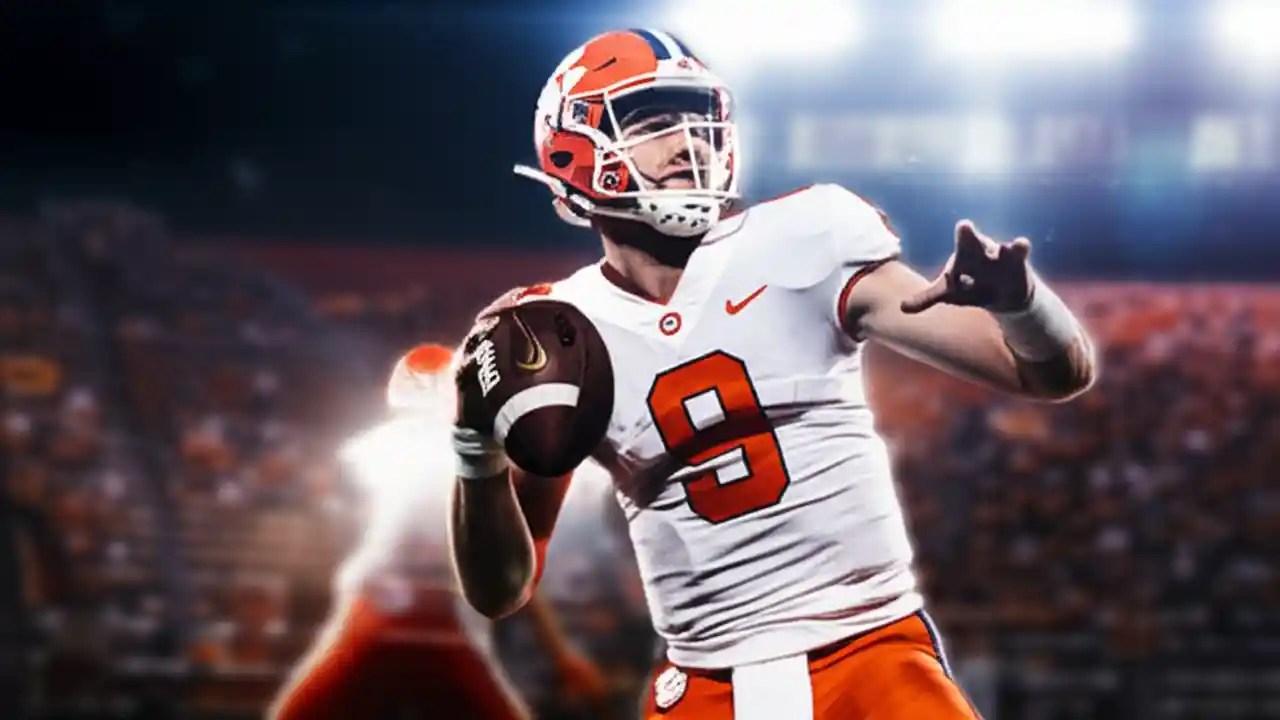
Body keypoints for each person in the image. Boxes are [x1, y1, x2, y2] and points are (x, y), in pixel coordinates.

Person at [449, 29, 1097, 720]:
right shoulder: (558, 331)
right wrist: (474, 452)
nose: (691, 141)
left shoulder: (805, 237)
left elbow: (1054, 375)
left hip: (870, 653)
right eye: (652, 120)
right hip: (704, 685)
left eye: (699, 119)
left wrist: (1022, 306)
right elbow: (501, 590)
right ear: (574, 151)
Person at [270, 344, 607, 719]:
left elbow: (335, 503)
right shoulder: (480, 456)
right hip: (442, 614)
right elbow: (514, 573)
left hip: (379, 606)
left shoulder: (378, 448)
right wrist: (560, 655)